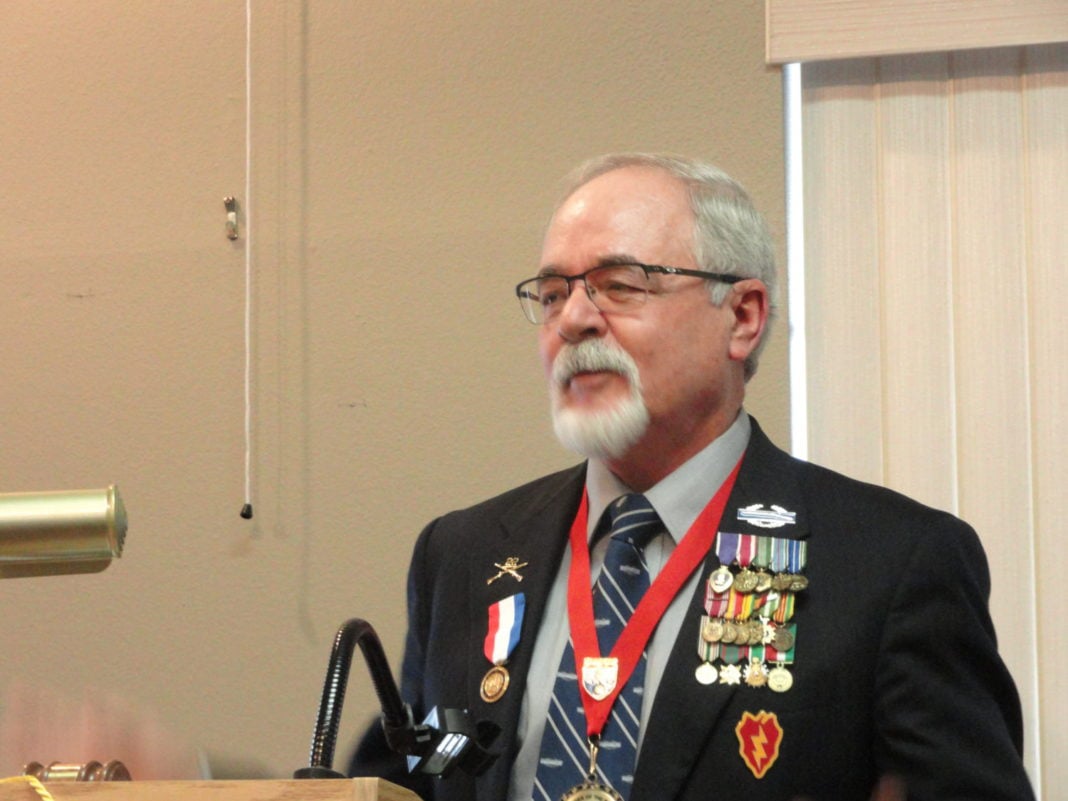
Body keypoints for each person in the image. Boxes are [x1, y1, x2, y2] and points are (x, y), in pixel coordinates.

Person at [349, 153, 1034, 801]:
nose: (575, 319)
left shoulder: (889, 564)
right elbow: (405, 781)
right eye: (554, 293)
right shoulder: (463, 552)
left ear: (741, 316)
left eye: (620, 284)